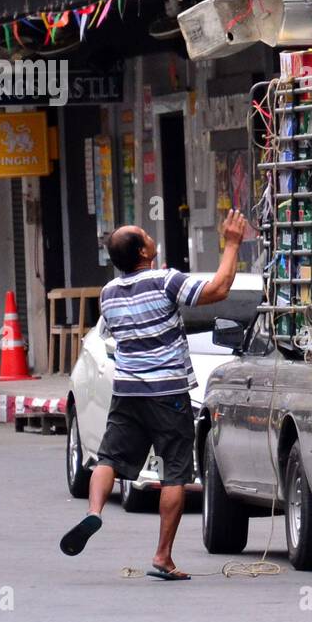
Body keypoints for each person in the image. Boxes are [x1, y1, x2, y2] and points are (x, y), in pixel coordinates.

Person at [60, 209, 256, 580]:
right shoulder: (165, 281)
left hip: (127, 391)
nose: (152, 238)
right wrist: (231, 243)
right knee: (174, 474)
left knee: (108, 458)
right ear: (143, 254)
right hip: (168, 393)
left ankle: (94, 513)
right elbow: (217, 290)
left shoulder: (108, 294)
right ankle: (163, 556)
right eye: (146, 237)